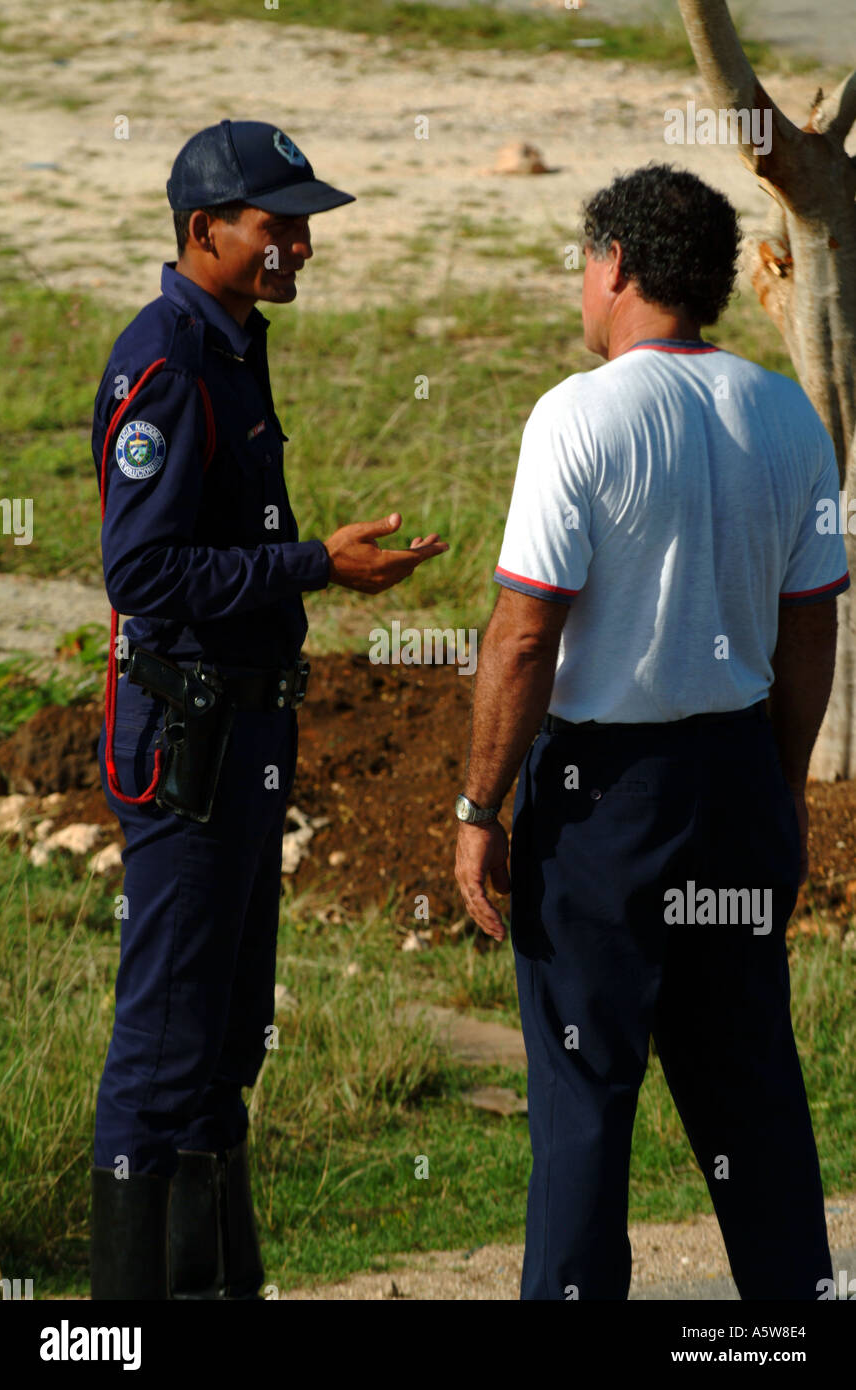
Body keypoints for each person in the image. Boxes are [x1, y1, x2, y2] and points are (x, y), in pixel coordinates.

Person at [453, 162, 848, 1301]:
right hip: (733, 779)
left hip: (601, 802)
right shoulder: (783, 411)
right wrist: (777, 792)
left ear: (616, 266)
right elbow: (809, 628)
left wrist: (480, 808)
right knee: (748, 1090)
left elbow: (523, 638)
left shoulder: (577, 416)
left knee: (585, 1099)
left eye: (584, 263)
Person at [90, 118, 448, 1300]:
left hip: (243, 729)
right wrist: (311, 568)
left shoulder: (231, 343)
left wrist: (312, 572)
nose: (300, 242)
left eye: (302, 222)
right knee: (164, 1043)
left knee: (229, 1031)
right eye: (276, 222)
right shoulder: (166, 361)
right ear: (204, 232)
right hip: (184, 739)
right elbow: (141, 576)